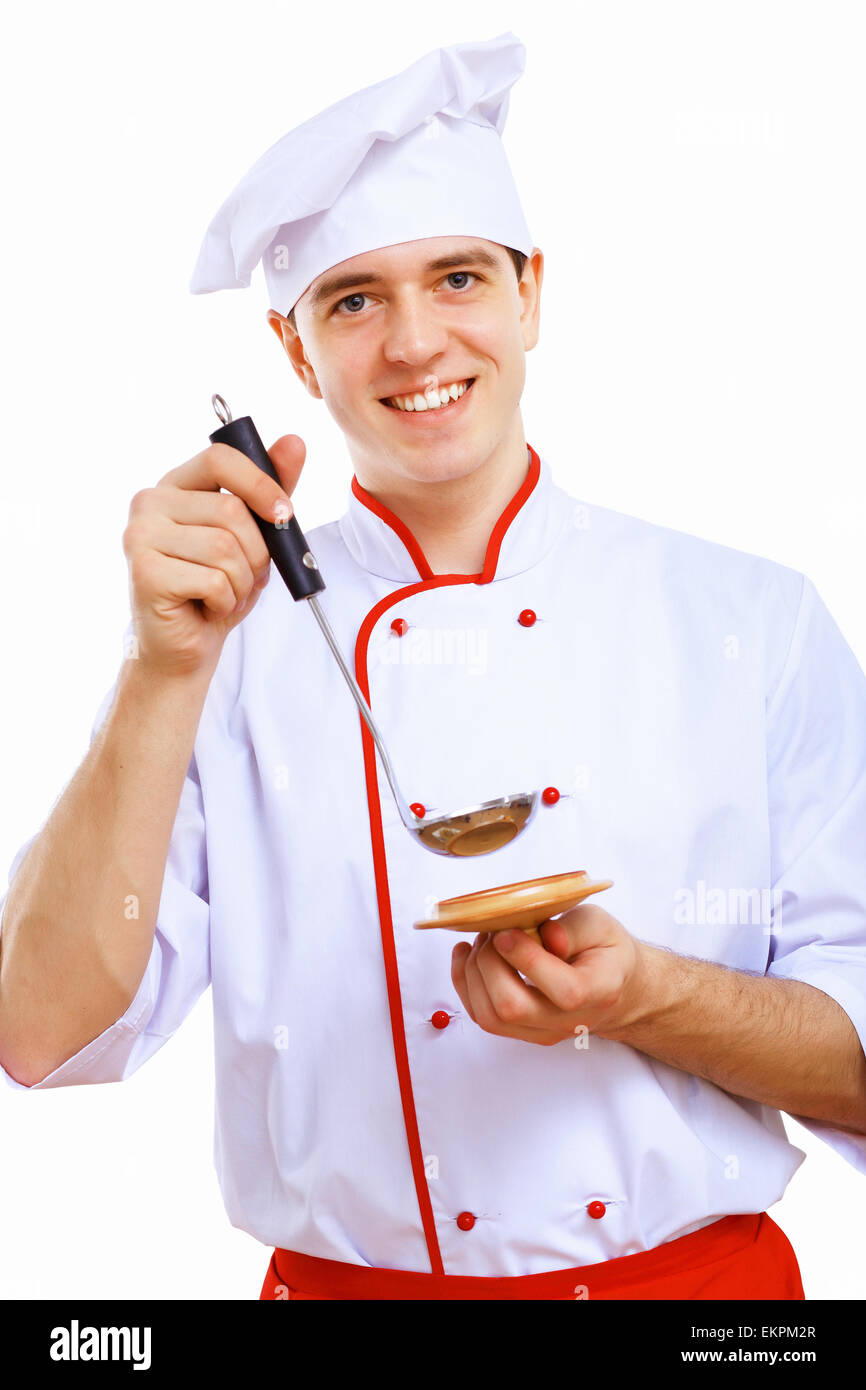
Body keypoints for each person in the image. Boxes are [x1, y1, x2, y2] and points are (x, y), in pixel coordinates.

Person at [1, 32, 865, 1302]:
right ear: (295, 355)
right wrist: (159, 669)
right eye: (353, 299)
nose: (413, 343)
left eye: (456, 277)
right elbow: (38, 1030)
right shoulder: (216, 646)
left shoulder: (748, 619)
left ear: (530, 296)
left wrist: (644, 995)